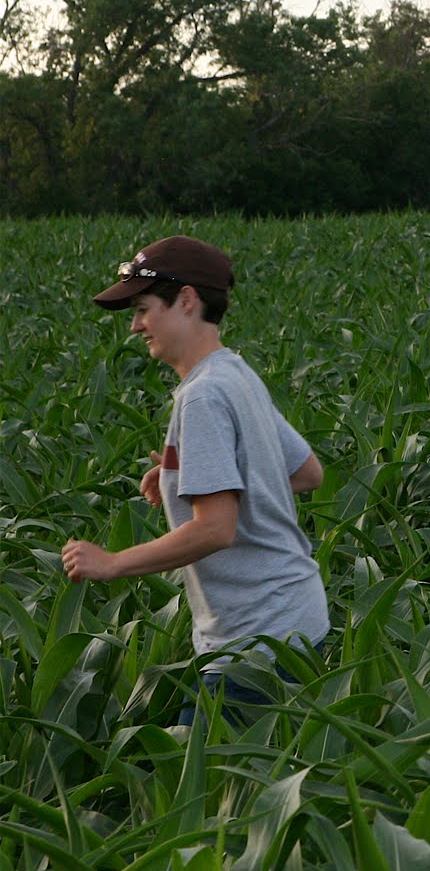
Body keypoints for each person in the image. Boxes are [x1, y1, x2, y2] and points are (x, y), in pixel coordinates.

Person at [61, 236, 329, 724]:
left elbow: (215, 529)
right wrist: (188, 473)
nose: (136, 324)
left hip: (255, 644)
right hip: (301, 624)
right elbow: (306, 472)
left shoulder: (202, 396)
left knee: (201, 794)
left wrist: (113, 562)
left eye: (143, 308)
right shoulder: (237, 374)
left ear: (186, 300)